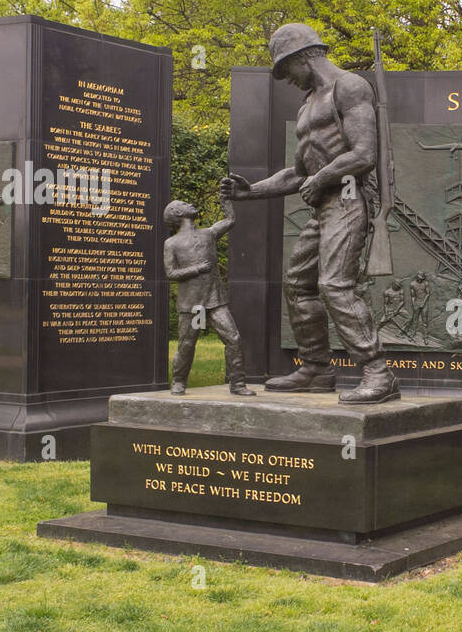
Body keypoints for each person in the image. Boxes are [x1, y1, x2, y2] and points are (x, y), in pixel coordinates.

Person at [220, 23, 399, 403]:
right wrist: (250, 192)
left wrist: (321, 178)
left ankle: (378, 373)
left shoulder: (349, 87)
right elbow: (298, 174)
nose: (289, 81)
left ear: (305, 56)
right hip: (324, 205)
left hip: (348, 201)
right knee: (298, 285)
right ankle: (317, 369)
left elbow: (364, 153)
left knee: (334, 284)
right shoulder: (307, 105)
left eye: (288, 71)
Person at [163, 198, 252, 397]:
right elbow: (170, 273)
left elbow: (230, 220)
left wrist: (225, 198)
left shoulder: (208, 234)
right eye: (184, 204)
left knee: (233, 339)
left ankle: (237, 384)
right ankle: (178, 382)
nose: (190, 204)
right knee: (187, 344)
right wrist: (196, 269)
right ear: (178, 213)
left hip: (215, 301)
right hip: (194, 305)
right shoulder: (172, 243)